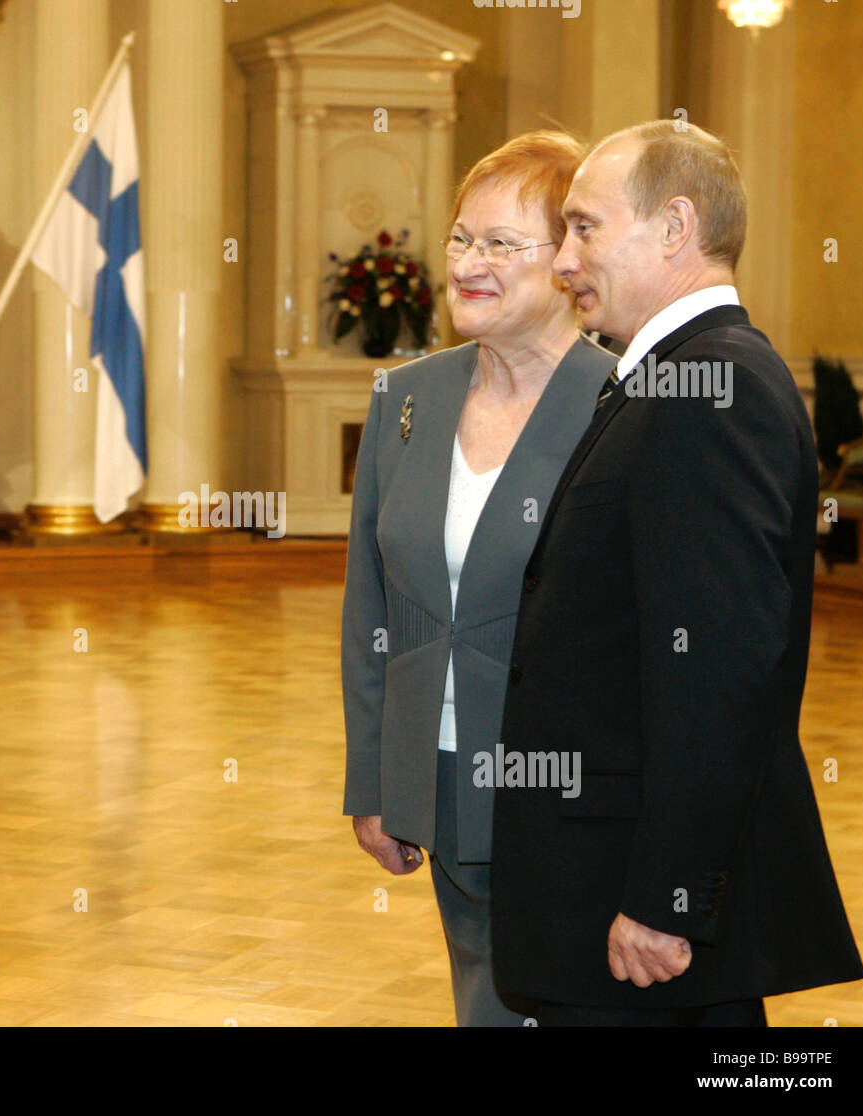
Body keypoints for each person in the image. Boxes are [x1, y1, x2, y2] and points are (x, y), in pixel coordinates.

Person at [489, 120, 863, 1026]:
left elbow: (719, 672)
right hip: (613, 888)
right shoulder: (672, 377)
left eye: (584, 228)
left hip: (644, 919)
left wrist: (669, 898)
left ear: (675, 228)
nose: (564, 259)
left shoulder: (710, 390)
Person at [341, 132, 616, 1025]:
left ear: (571, 260)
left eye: (502, 244)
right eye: (462, 239)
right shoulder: (406, 398)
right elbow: (369, 608)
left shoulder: (626, 406)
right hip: (444, 773)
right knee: (483, 998)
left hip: (574, 798)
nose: (468, 264)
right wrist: (377, 781)